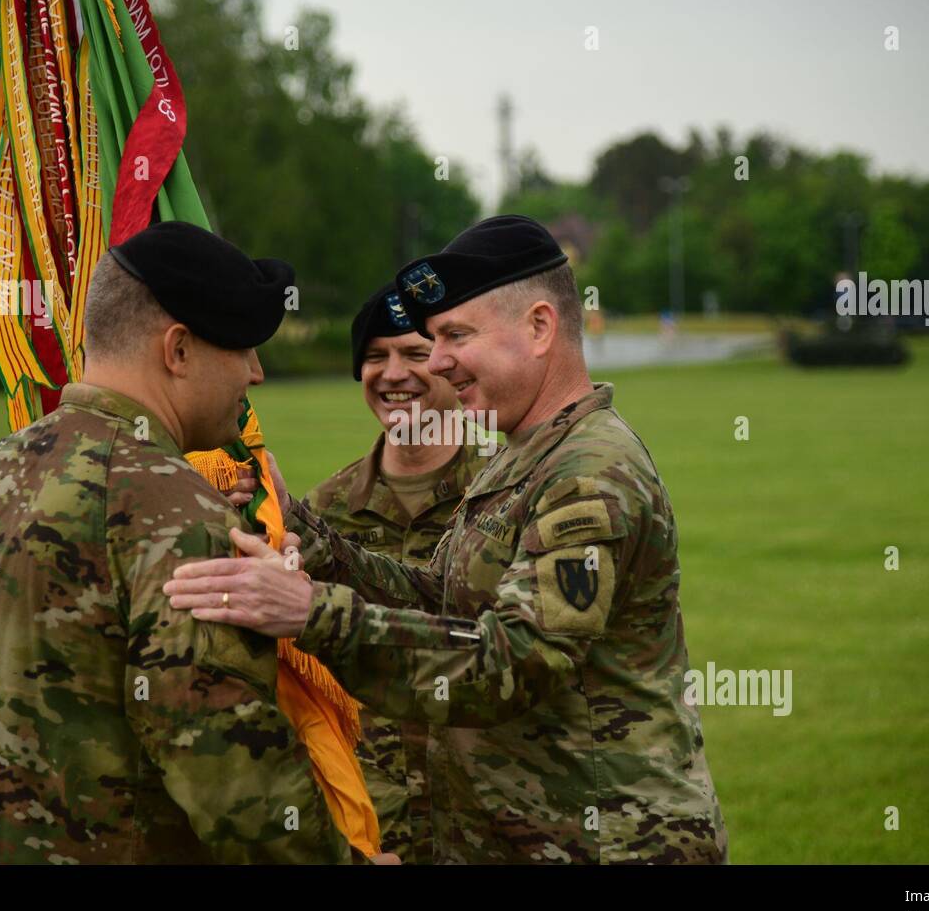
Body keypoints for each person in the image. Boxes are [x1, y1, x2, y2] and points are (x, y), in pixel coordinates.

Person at [164, 215, 728, 864]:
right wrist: (304, 531)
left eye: (456, 335)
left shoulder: (590, 472)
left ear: (540, 328)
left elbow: (513, 662)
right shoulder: (525, 455)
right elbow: (442, 602)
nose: (435, 362)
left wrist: (311, 614)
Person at [0, 222, 348, 864]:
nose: (257, 374)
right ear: (177, 350)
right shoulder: (171, 505)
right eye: (244, 348)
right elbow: (230, 775)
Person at [301, 283, 486, 863]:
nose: (392, 374)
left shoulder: (507, 491)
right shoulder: (321, 513)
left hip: (492, 821)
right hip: (376, 827)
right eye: (375, 357)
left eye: (413, 353)